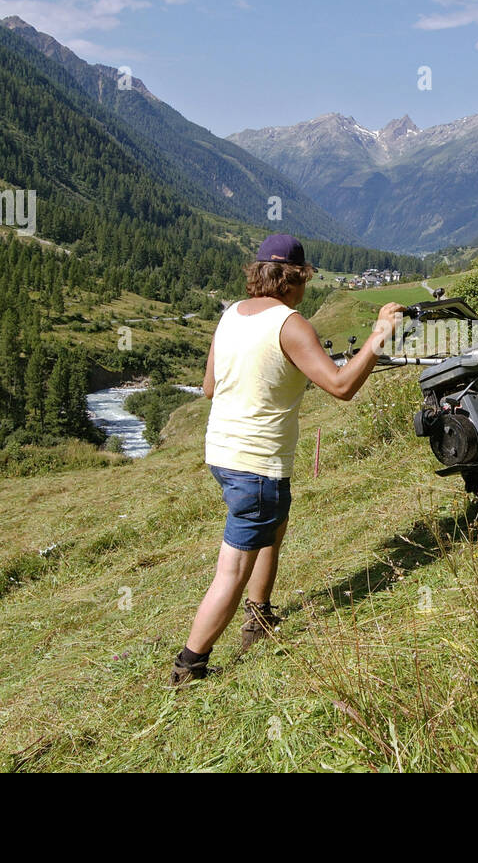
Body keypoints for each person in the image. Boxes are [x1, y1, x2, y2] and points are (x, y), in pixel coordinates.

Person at [170, 233, 403, 685]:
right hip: (256, 464)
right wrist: (379, 336)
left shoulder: (229, 315)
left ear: (257, 274)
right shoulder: (291, 324)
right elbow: (340, 386)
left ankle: (259, 617)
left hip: (222, 452)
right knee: (232, 567)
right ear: (296, 279)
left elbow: (209, 388)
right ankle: (189, 666)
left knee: (273, 525)